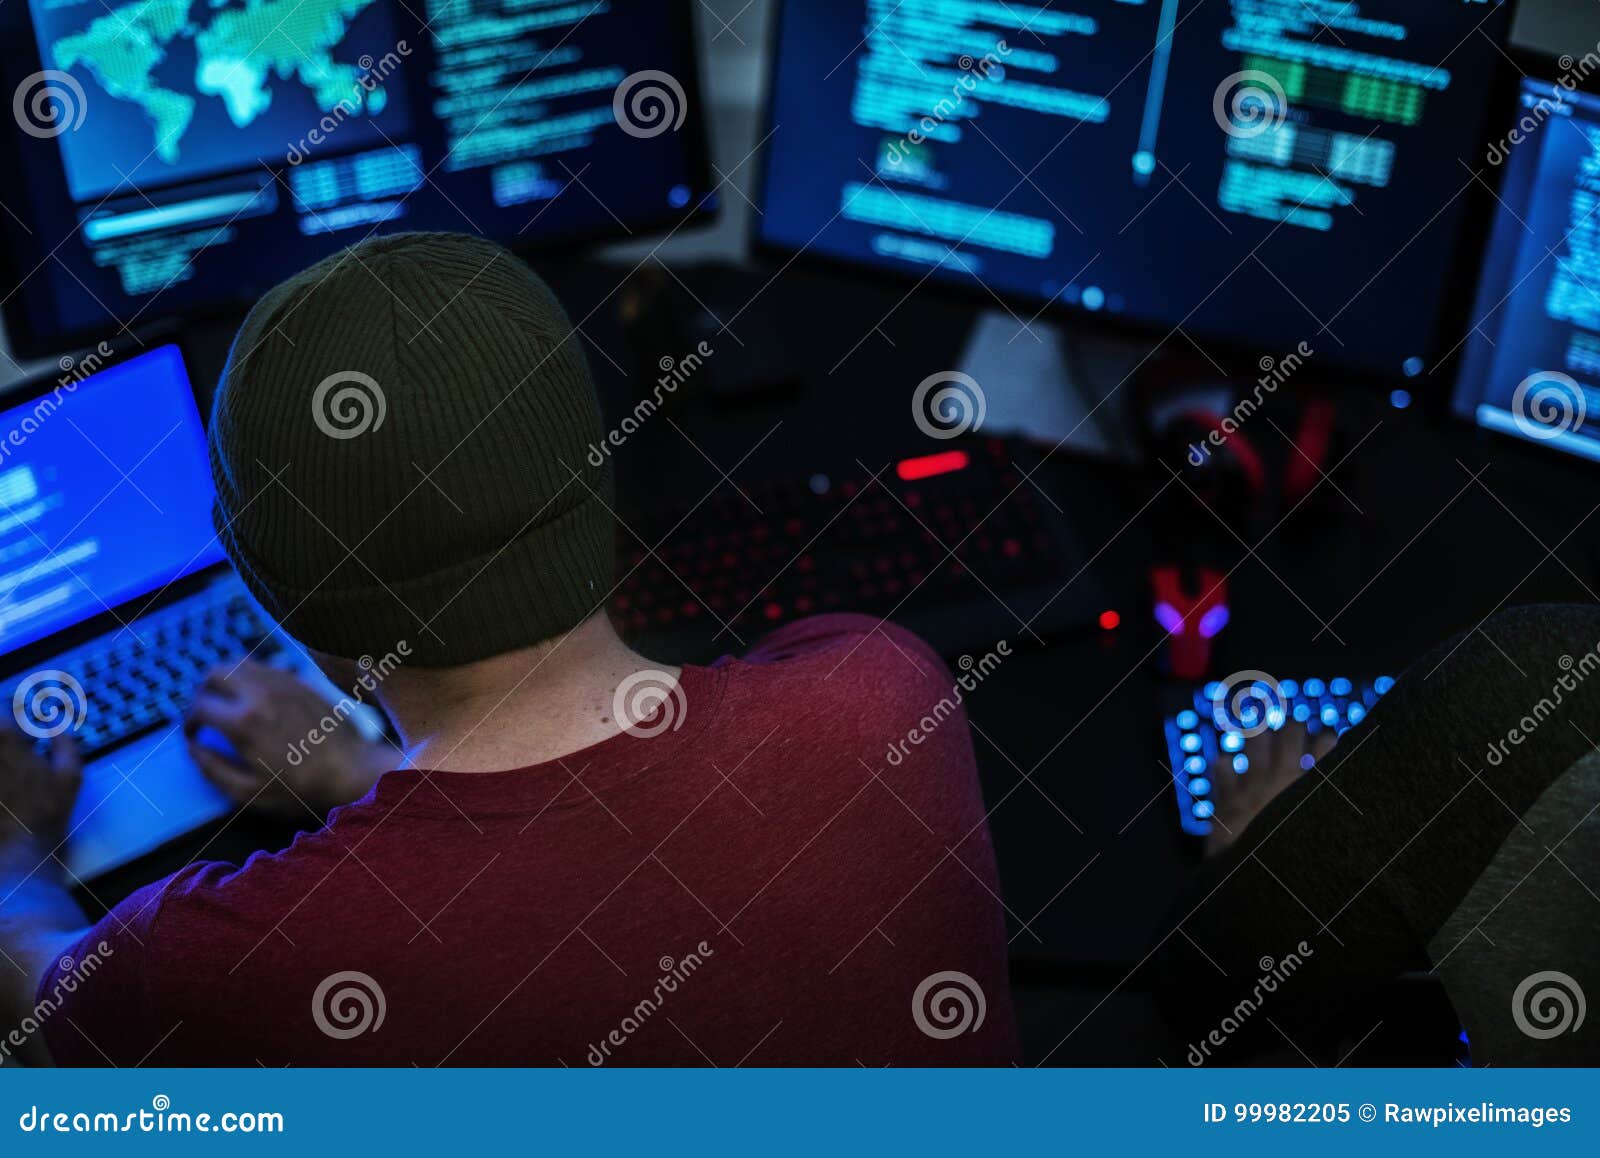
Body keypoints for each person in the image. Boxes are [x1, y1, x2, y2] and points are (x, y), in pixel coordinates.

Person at [0, 232, 1017, 1066]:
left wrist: (19, 855)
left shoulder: (221, 962)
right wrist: (357, 769)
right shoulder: (882, 698)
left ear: (282, 604)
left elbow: (38, 999)